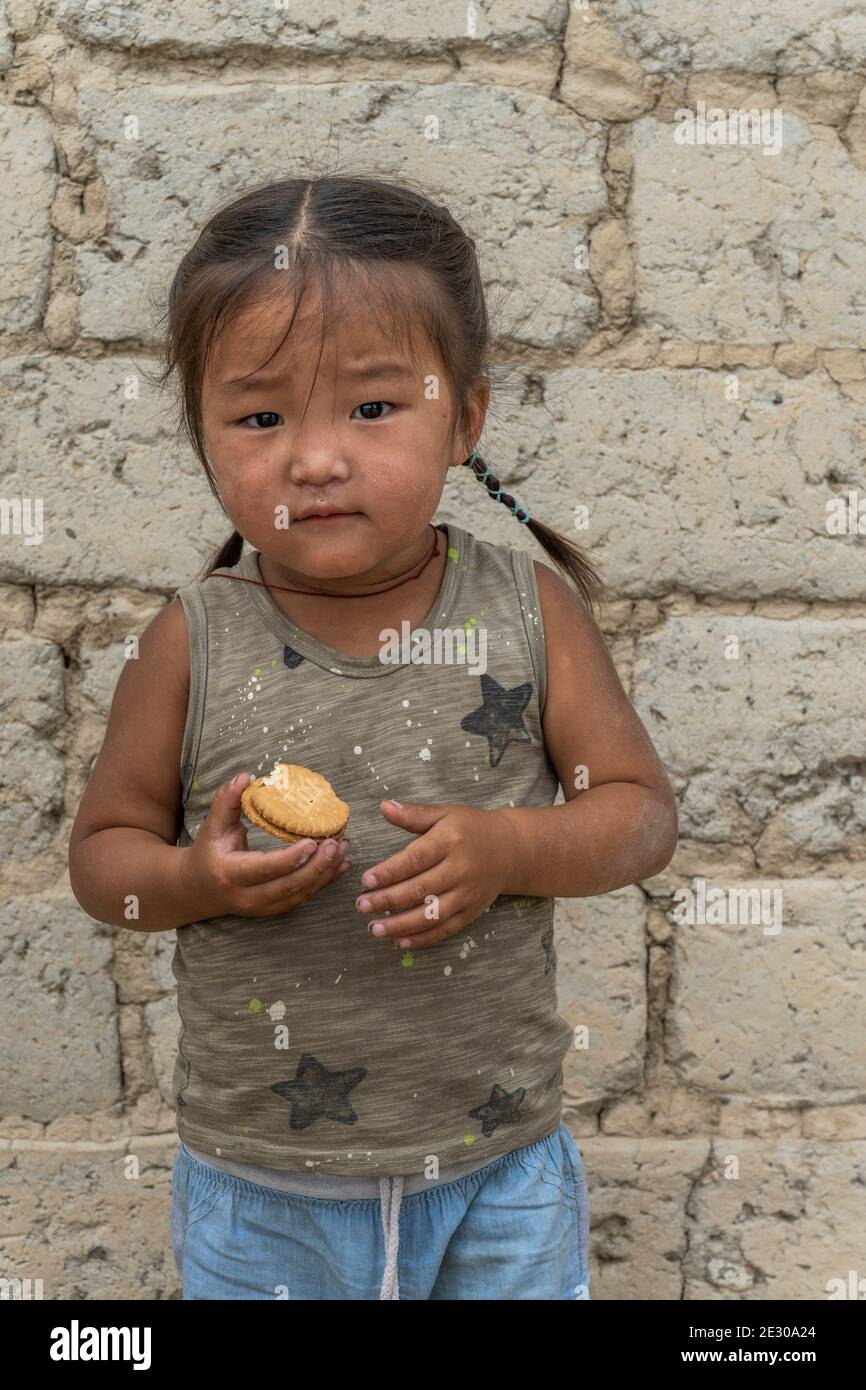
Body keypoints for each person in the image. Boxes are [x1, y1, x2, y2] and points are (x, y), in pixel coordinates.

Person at [68, 174, 678, 1300]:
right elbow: (105, 865)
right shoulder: (188, 641)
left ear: (466, 418)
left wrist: (510, 850)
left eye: (372, 407)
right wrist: (192, 877)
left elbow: (636, 815)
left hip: (497, 1173)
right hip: (264, 1187)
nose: (314, 459)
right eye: (259, 417)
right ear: (201, 431)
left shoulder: (527, 612)